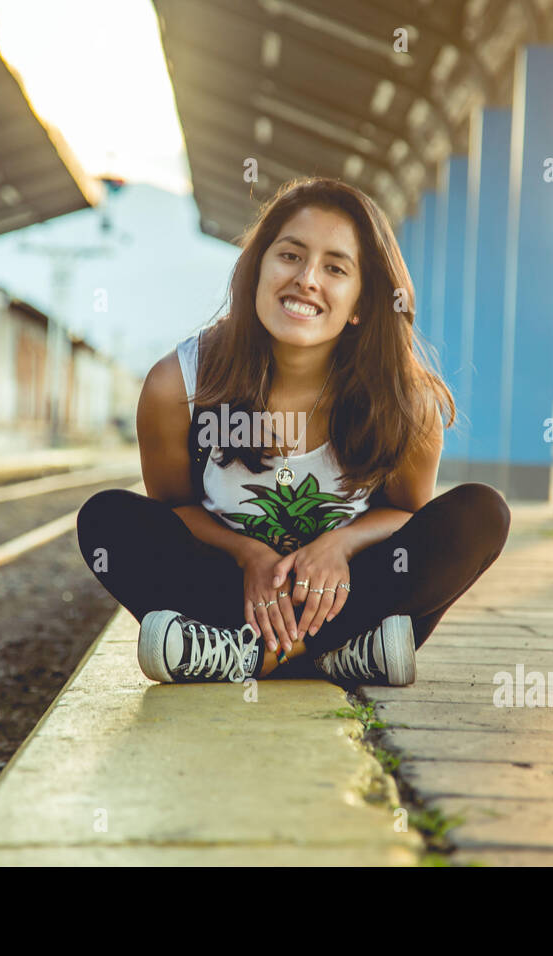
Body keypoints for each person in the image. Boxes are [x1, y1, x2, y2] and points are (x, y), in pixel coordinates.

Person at [76, 177, 510, 686]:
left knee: (480, 514)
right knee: (107, 519)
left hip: (348, 593)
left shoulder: (404, 400)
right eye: (290, 256)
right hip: (229, 591)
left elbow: (408, 515)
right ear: (257, 268)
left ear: (362, 302)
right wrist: (250, 555)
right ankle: (341, 654)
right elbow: (174, 511)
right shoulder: (179, 383)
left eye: (335, 268)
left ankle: (248, 656)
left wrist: (341, 545)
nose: (307, 279)